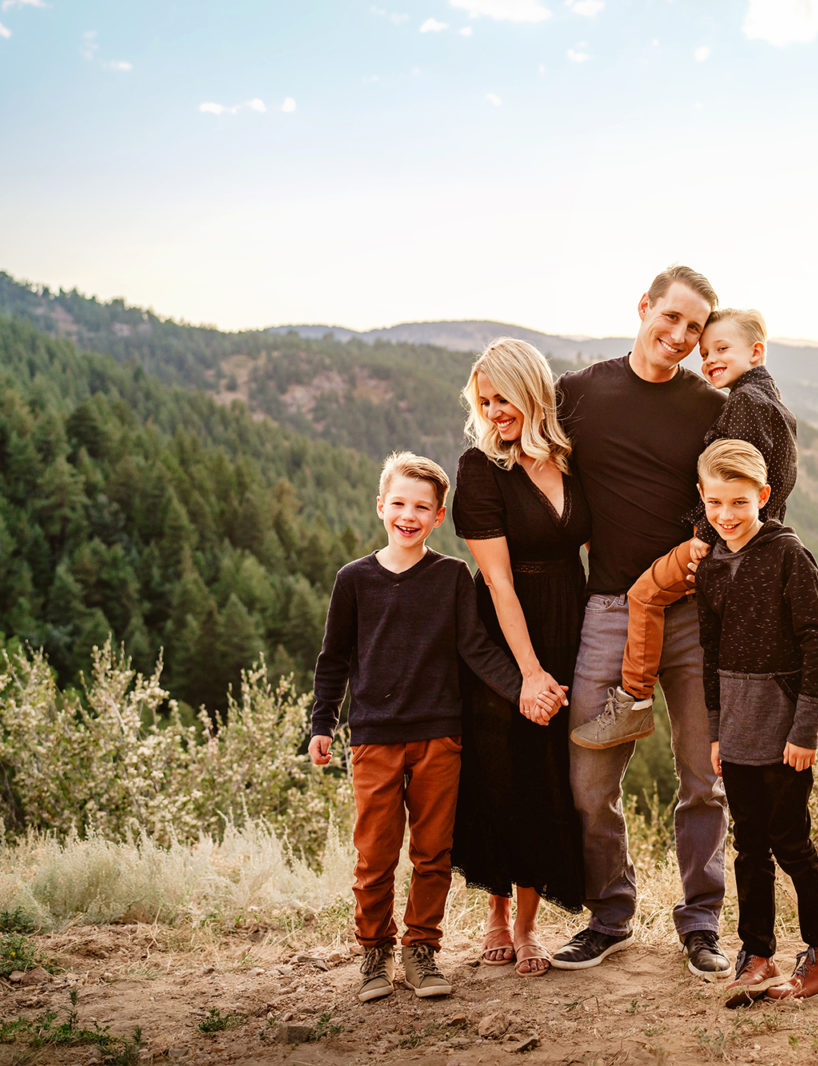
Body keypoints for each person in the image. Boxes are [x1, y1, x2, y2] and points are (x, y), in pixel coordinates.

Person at [550, 266, 732, 977]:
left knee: (702, 778)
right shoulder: (581, 393)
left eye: (695, 328)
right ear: (644, 307)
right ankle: (612, 913)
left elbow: (745, 482)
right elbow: (526, 457)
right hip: (608, 612)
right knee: (589, 782)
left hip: (690, 614)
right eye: (673, 319)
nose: (681, 337)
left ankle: (702, 922)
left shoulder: (705, 406)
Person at [309, 452, 525, 1003]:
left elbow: (475, 648)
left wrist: (525, 685)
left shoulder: (451, 576)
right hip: (374, 738)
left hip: (439, 737)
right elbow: (334, 659)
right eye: (399, 503)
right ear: (381, 505)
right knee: (375, 854)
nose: (409, 515)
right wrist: (323, 724)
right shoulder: (353, 580)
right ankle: (375, 952)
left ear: (439, 516)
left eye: (421, 507)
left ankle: (422, 948)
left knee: (433, 852)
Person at [572, 308, 798, 755]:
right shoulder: (773, 404)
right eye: (706, 351)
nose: (710, 359)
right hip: (744, 540)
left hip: (717, 540)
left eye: (723, 349)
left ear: (756, 352)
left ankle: (634, 701)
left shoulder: (745, 404)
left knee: (645, 594)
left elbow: (733, 480)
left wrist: (702, 532)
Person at [692, 438, 818, 1006]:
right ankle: (757, 955)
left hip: (786, 728)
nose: (726, 516)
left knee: (791, 843)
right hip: (736, 726)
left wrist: (805, 730)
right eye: (715, 503)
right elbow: (709, 653)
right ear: (703, 501)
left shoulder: (788, 554)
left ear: (762, 496)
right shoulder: (709, 566)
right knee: (748, 847)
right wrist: (715, 729)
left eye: (739, 502)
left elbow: (817, 641)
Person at [449, 338, 588, 978]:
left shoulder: (570, 456)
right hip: (509, 637)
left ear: (532, 391)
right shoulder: (480, 468)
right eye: (485, 401)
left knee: (549, 776)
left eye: (503, 397)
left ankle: (530, 925)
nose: (494, 411)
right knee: (505, 773)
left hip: (571, 621)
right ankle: (497, 916)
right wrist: (528, 673)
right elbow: (499, 584)